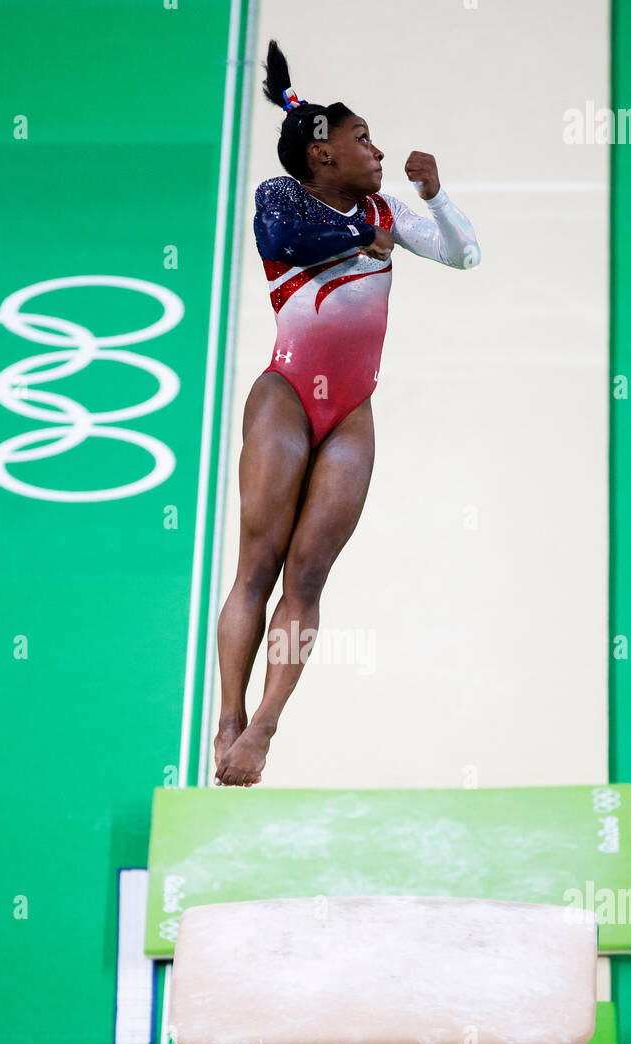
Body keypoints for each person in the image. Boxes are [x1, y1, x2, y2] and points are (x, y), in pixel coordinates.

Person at [214, 39, 480, 786]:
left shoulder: (385, 208)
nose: (379, 149)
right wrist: (367, 236)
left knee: (307, 577)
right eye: (363, 138)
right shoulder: (283, 197)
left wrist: (435, 200)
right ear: (323, 152)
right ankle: (228, 717)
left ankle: (264, 726)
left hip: (350, 412)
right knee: (257, 566)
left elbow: (465, 257)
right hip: (287, 396)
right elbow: (281, 239)